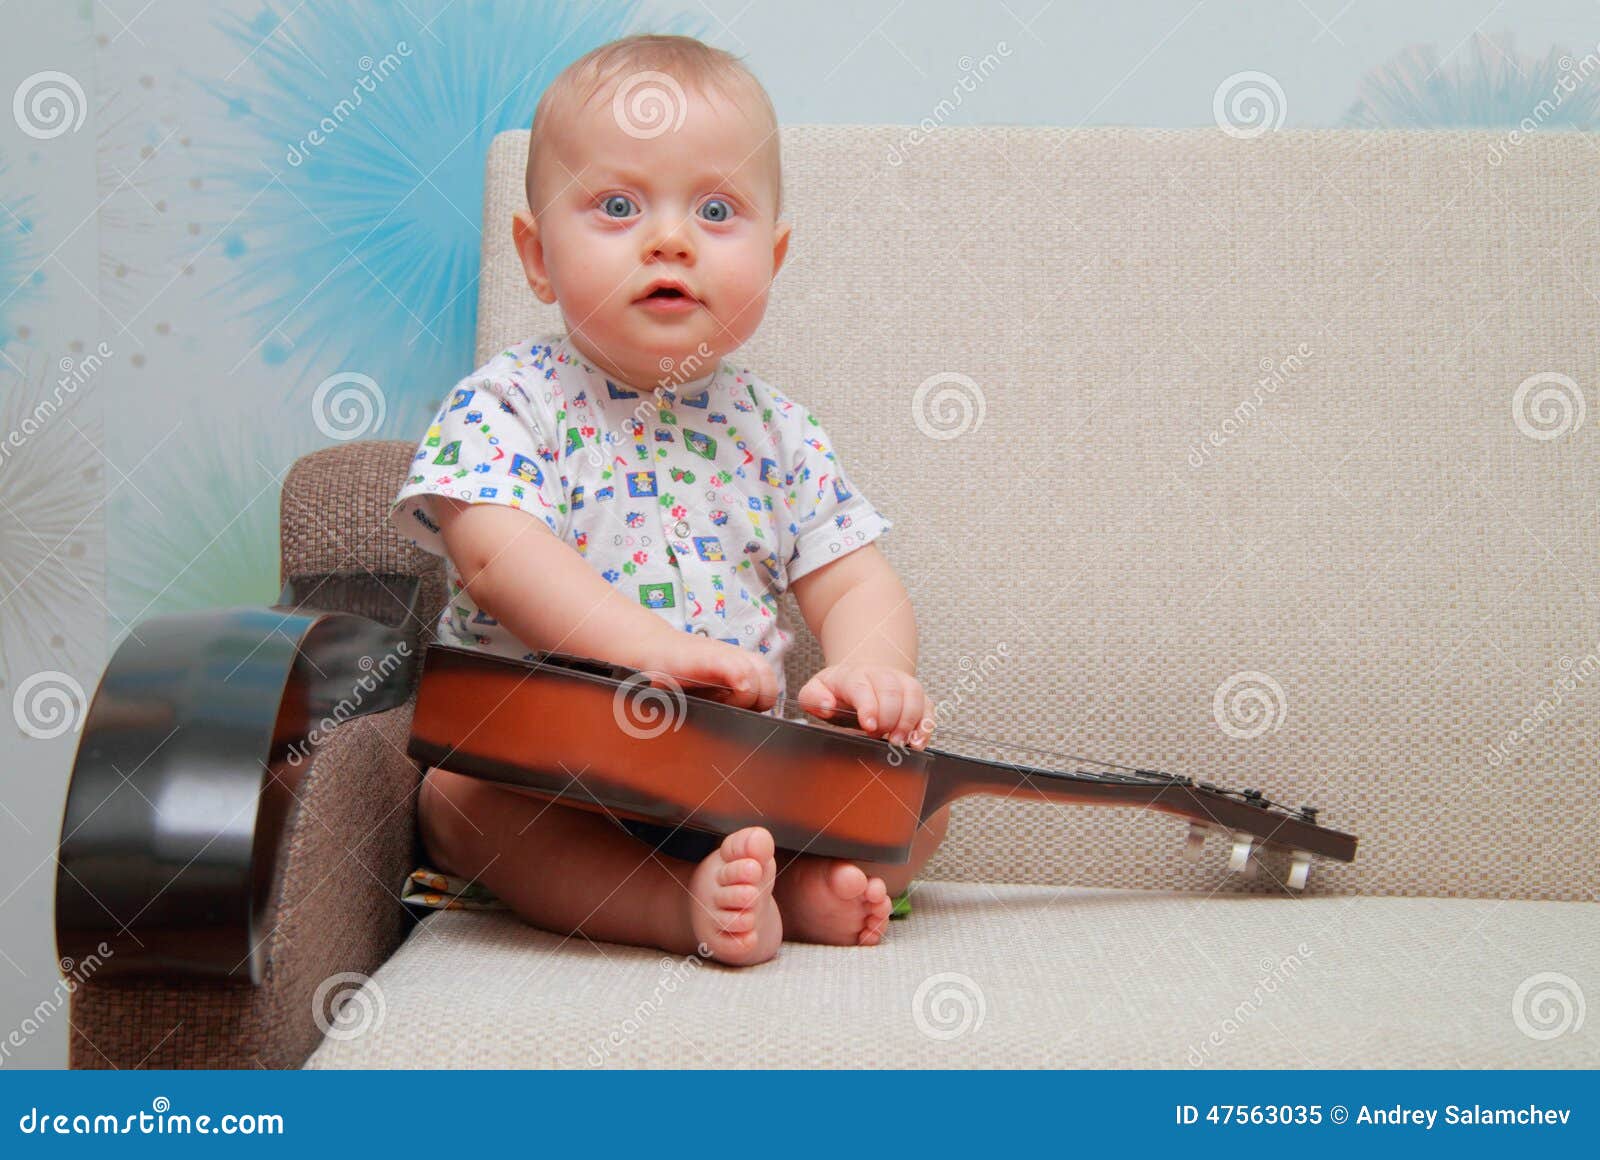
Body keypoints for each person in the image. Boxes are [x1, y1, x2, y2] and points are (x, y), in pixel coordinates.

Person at [390, 34, 950, 967]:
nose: (670, 239)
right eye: (617, 206)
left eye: (717, 210)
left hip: (738, 781)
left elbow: (856, 584)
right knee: (453, 801)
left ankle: (807, 888)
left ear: (772, 259)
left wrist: (871, 674)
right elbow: (496, 554)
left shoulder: (776, 432)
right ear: (535, 254)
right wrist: (651, 648)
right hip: (556, 775)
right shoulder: (509, 404)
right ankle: (671, 904)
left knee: (916, 798)